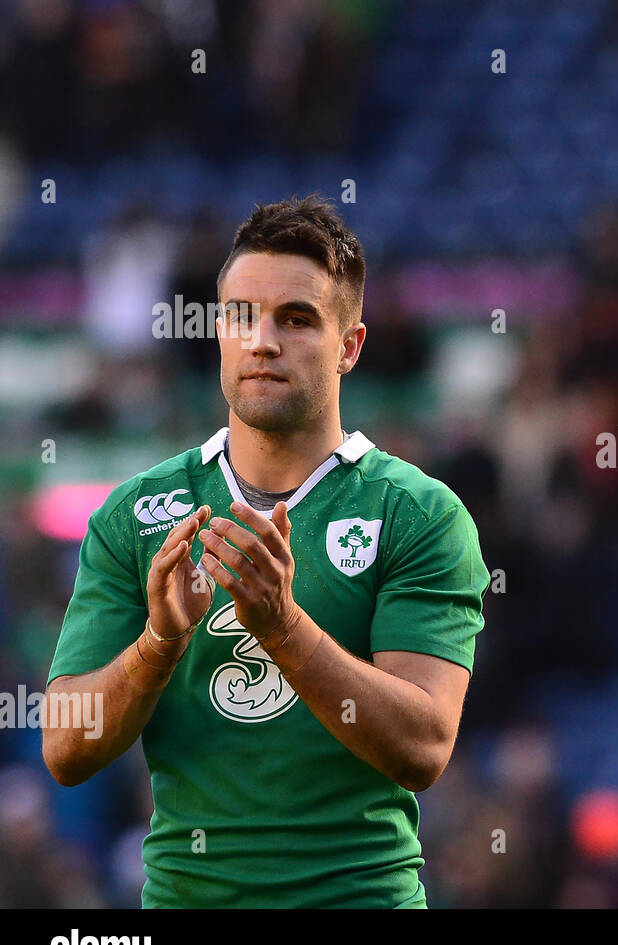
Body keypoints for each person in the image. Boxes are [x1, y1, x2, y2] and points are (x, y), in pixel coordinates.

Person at [43, 194, 490, 908]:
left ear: (350, 345)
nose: (263, 341)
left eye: (298, 318)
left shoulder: (418, 514)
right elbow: (66, 748)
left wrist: (284, 628)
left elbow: (425, 746)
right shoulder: (135, 513)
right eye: (242, 316)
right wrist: (159, 642)